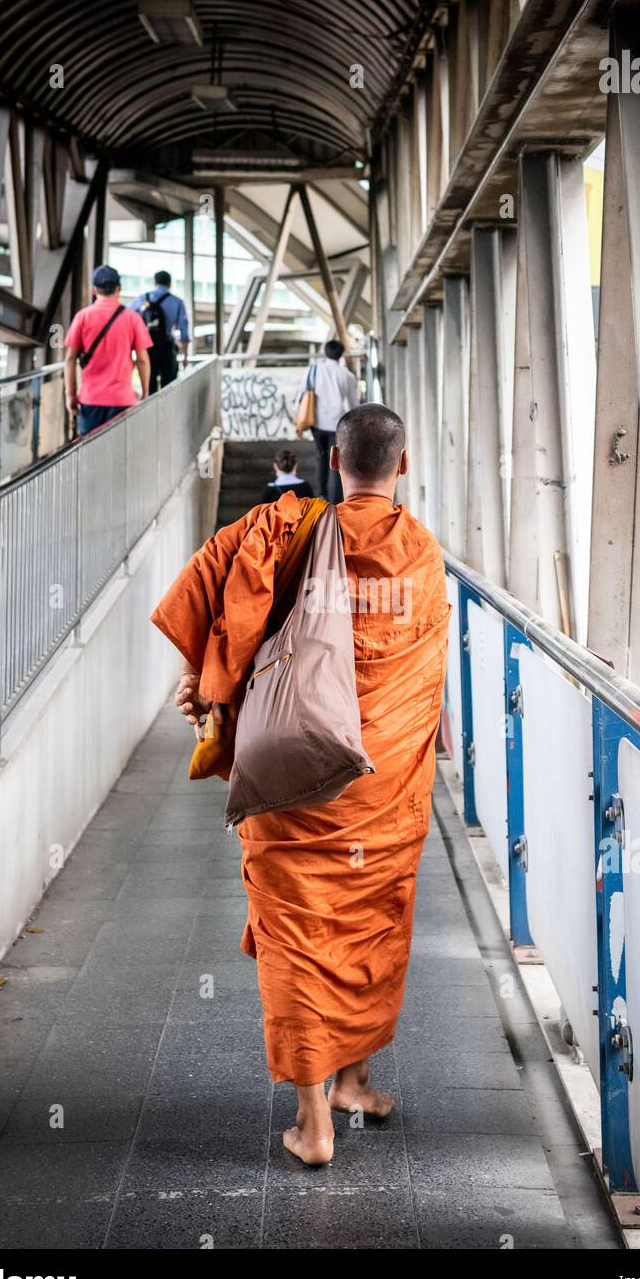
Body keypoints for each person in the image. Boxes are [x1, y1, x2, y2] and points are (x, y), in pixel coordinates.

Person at [151, 404, 449, 1165]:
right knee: (370, 927)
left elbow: (218, 593)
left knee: (302, 936)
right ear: (402, 467)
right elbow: (427, 678)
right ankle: (353, 1083)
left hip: (294, 788)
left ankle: (321, 1116)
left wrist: (206, 683)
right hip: (383, 791)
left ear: (334, 464)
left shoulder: (285, 531)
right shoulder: (423, 555)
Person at [64, 265, 152, 437]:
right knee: (120, 453)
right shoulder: (132, 318)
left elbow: (70, 359)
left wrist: (70, 395)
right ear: (119, 289)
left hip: (90, 399)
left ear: (94, 290)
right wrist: (145, 391)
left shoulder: (83, 317)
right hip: (122, 399)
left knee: (89, 453)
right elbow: (142, 359)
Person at [298, 339, 359, 504]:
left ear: (325, 353)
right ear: (341, 355)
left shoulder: (313, 370)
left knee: (321, 456)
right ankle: (335, 501)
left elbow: (301, 395)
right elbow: (354, 404)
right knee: (336, 462)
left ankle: (322, 495)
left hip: (316, 422)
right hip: (337, 424)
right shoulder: (347, 375)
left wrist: (298, 422)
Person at [130, 270, 190, 391]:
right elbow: (184, 331)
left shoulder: (143, 299)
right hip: (167, 349)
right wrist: (185, 357)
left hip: (147, 349)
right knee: (168, 388)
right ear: (169, 284)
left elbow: (126, 315)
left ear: (155, 282)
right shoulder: (177, 302)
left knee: (149, 387)